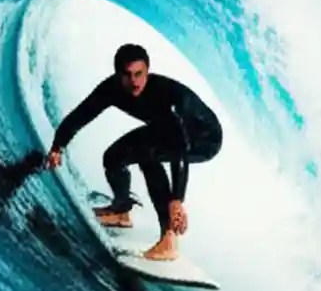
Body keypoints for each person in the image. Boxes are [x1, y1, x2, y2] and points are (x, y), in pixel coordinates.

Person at [44, 43, 222, 261]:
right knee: (114, 156)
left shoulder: (170, 99)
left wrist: (177, 199)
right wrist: (57, 147)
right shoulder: (112, 89)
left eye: (139, 74)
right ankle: (121, 210)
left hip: (204, 138)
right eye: (127, 75)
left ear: (148, 71)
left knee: (148, 155)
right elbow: (82, 114)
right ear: (118, 75)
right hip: (165, 131)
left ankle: (169, 239)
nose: (134, 81)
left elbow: (179, 149)